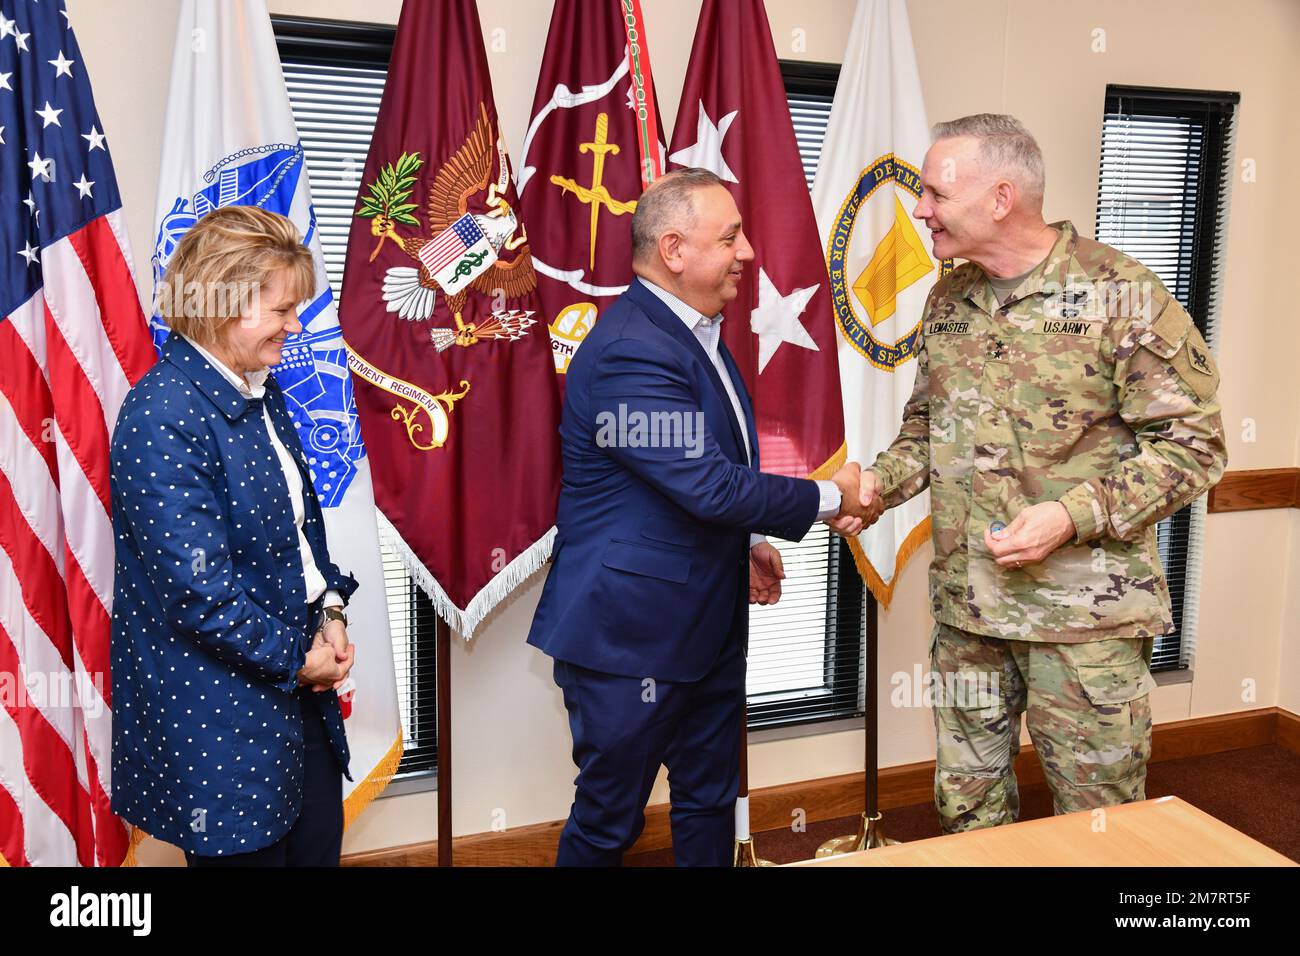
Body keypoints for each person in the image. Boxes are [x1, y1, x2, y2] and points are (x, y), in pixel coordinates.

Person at [859, 114, 1227, 832]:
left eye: (935, 192)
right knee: (968, 813)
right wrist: (873, 488)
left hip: (1083, 625)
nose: (921, 209)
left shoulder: (1121, 294)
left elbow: (1196, 447)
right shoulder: (950, 297)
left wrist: (1072, 515)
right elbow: (928, 430)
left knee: (1099, 826)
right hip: (969, 614)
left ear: (1000, 198)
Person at [527, 168, 870, 866]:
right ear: (675, 250)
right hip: (630, 638)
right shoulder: (632, 349)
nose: (748, 253)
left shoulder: (698, 333)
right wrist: (833, 495)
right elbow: (709, 485)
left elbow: (687, 481)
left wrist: (742, 543)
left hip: (705, 627)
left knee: (711, 800)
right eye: (732, 237)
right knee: (608, 823)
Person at [110, 205, 358, 865]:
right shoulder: (161, 415)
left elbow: (302, 535)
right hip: (223, 723)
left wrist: (330, 609)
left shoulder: (261, 391)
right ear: (224, 305)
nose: (295, 326)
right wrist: (300, 657)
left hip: (300, 694)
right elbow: (200, 597)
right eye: (281, 311)